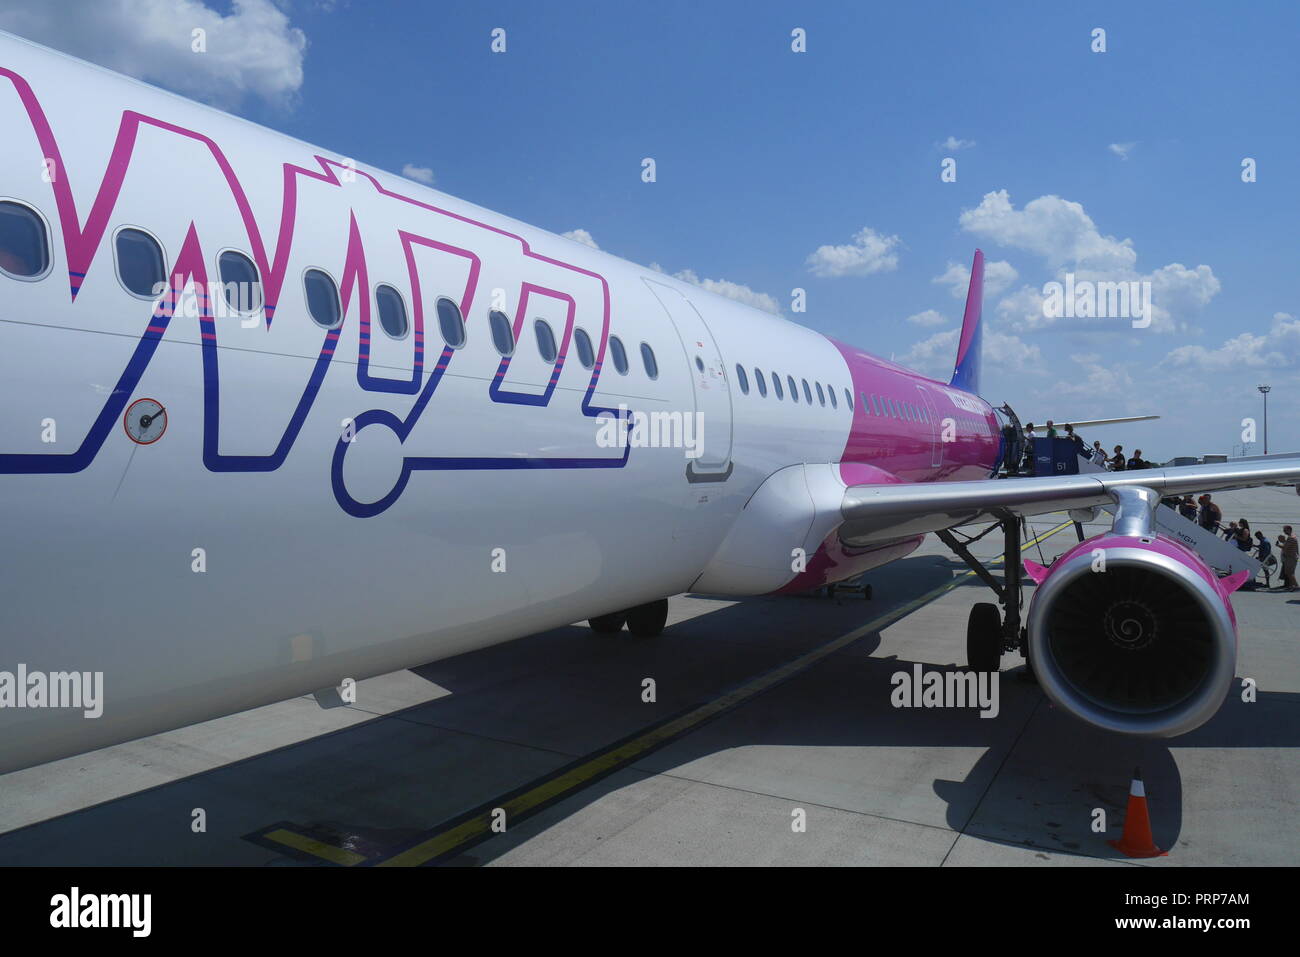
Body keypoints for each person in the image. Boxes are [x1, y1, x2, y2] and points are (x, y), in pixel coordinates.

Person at [1278, 526, 1298, 591]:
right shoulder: (1293, 537)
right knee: (1289, 573)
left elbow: (1285, 547)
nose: (1284, 531)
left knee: (1290, 573)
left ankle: (1296, 586)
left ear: (1289, 530)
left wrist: (1278, 545)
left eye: (1285, 530)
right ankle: (1292, 586)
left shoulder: (1291, 538)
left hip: (1291, 558)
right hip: (1291, 557)